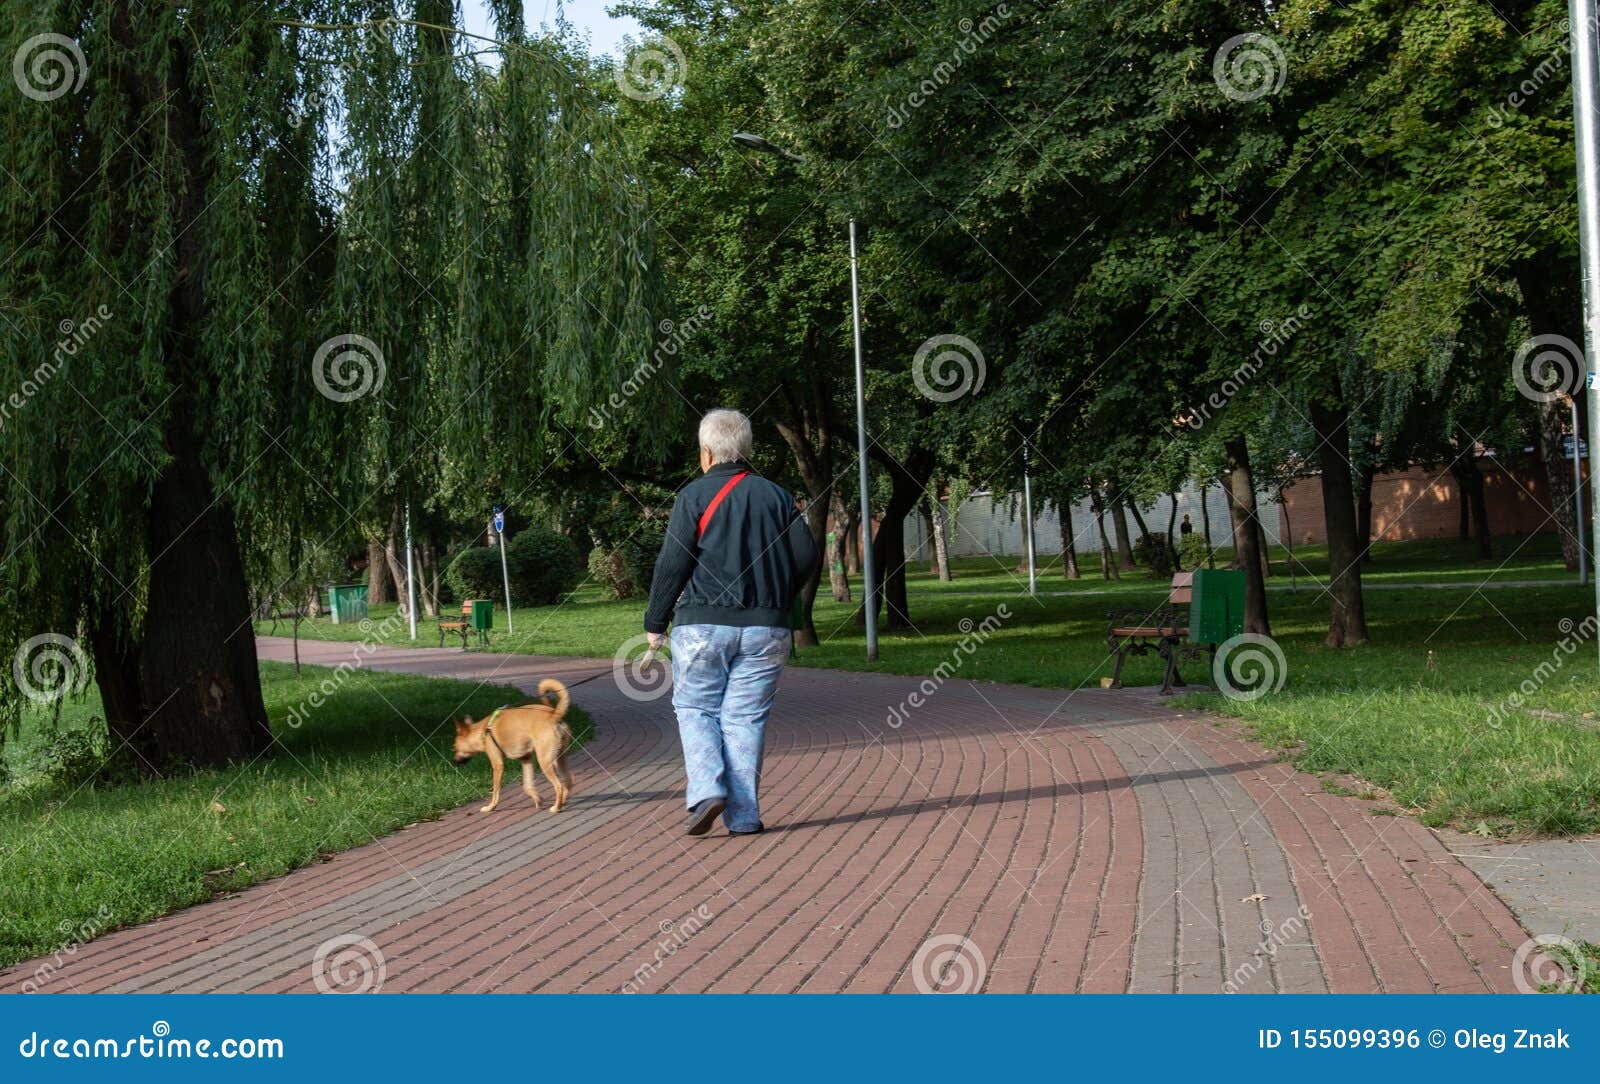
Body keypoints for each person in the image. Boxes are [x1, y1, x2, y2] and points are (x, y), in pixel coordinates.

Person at [644, 409, 820, 836]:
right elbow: (807, 555)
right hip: (767, 627)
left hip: (702, 625)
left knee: (695, 707)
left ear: (706, 453)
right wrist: (776, 593)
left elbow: (673, 563)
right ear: (747, 450)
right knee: (744, 719)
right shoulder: (777, 496)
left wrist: (656, 621)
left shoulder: (692, 497)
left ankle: (707, 791)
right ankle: (743, 818)